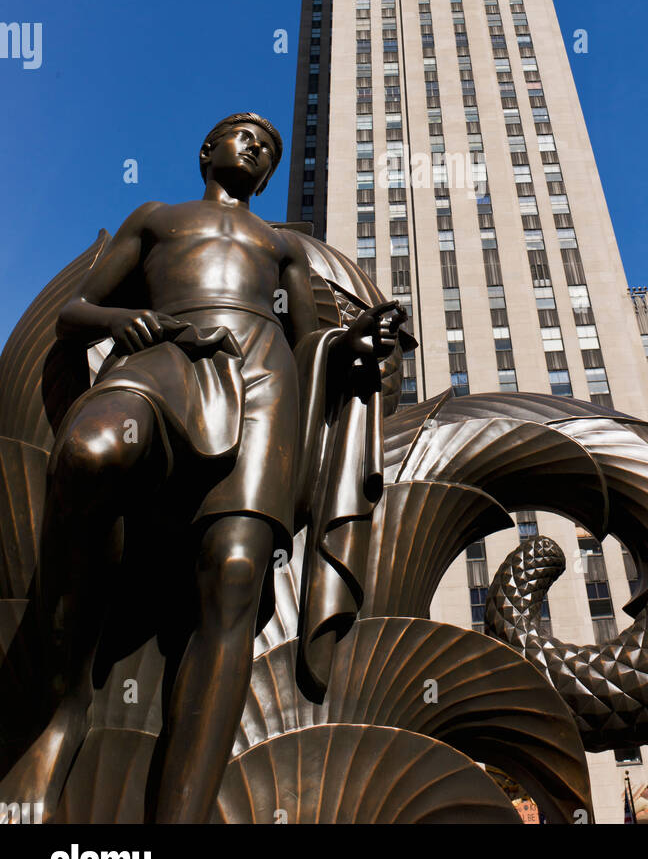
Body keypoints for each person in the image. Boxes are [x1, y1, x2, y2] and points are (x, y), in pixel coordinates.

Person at [3, 112, 405, 822]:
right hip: (164, 353)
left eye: (268, 148)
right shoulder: (156, 218)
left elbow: (312, 347)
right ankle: (58, 712)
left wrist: (357, 346)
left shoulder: (282, 247)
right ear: (205, 151)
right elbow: (76, 310)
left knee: (237, 574)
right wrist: (114, 323)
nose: (256, 149)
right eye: (242, 137)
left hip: (263, 381)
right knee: (89, 455)